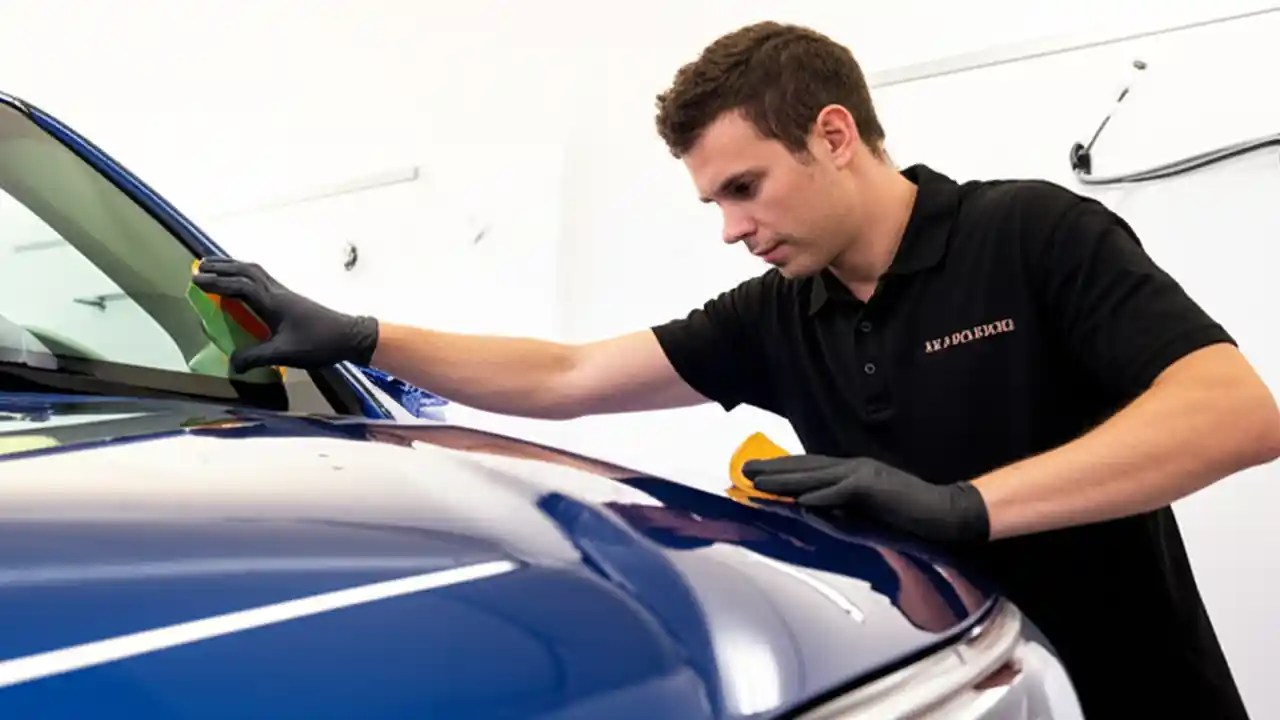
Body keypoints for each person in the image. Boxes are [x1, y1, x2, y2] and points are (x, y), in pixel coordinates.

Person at [194, 21, 1280, 717]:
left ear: (834, 133)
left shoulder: (1029, 235)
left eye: (744, 188)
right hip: (939, 696)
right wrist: (365, 335)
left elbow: (1234, 412)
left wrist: (963, 506)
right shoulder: (777, 314)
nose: (729, 227)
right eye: (713, 200)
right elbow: (569, 373)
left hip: (1129, 694)